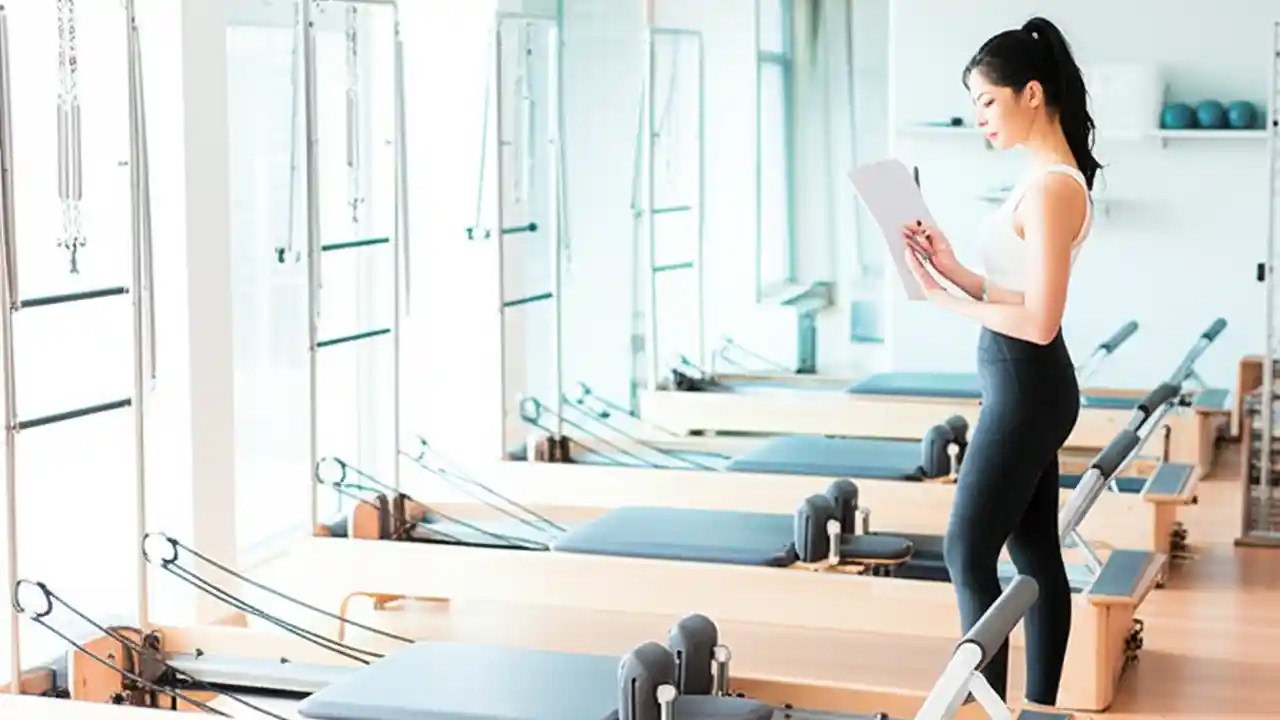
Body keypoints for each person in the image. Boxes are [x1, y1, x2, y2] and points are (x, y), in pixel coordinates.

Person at [899, 16, 1099, 709]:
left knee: (966, 551)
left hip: (1027, 383)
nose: (979, 116)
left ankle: (987, 706)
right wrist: (951, 269)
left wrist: (943, 303)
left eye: (987, 100)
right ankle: (1035, 707)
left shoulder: (1052, 187)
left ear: (1032, 93)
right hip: (1026, 382)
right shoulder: (1043, 178)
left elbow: (1041, 321)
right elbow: (1020, 293)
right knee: (1034, 552)